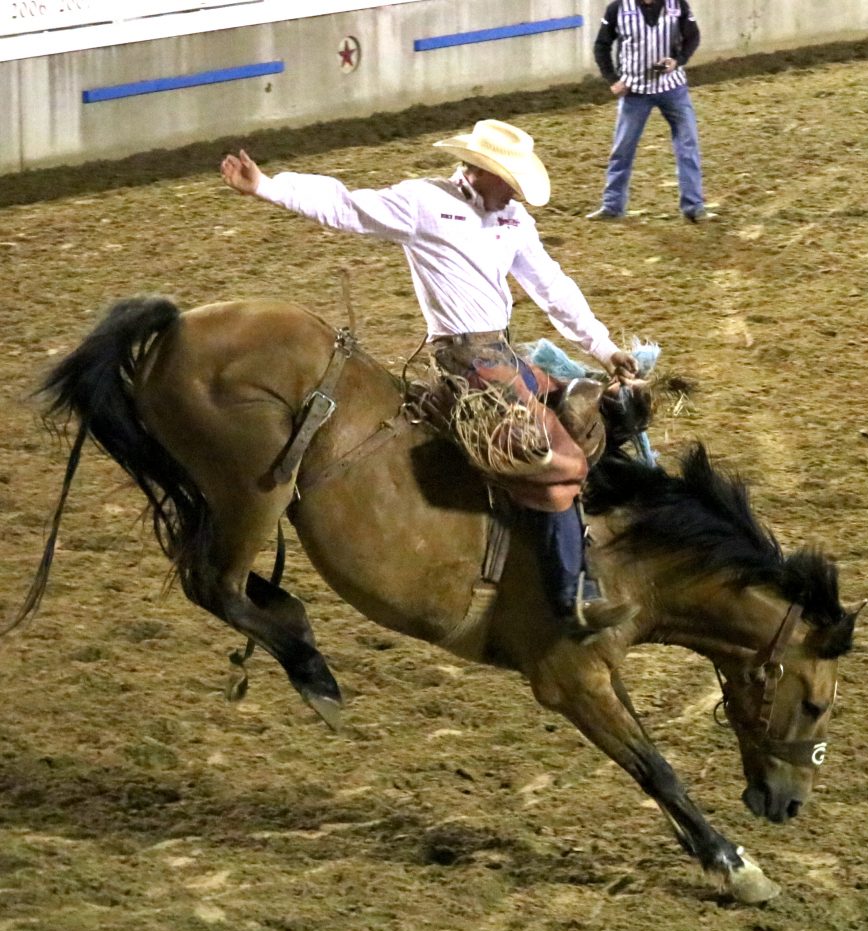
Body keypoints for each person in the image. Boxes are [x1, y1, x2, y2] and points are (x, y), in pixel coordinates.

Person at [220, 119, 639, 636]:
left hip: (501, 354)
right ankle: (569, 596)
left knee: (593, 408)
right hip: (469, 364)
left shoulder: (513, 219)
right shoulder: (425, 203)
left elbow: (551, 285)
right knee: (555, 455)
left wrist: (604, 346)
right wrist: (266, 186)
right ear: (482, 171)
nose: (515, 192)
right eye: (510, 180)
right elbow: (346, 206)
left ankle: (557, 541)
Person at [587, 0, 714, 224]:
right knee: (622, 149)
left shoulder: (677, 5)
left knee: (688, 145)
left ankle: (694, 207)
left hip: (673, 88)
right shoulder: (618, 8)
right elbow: (602, 45)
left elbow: (692, 37)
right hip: (634, 92)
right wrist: (613, 79)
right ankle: (612, 206)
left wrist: (677, 61)